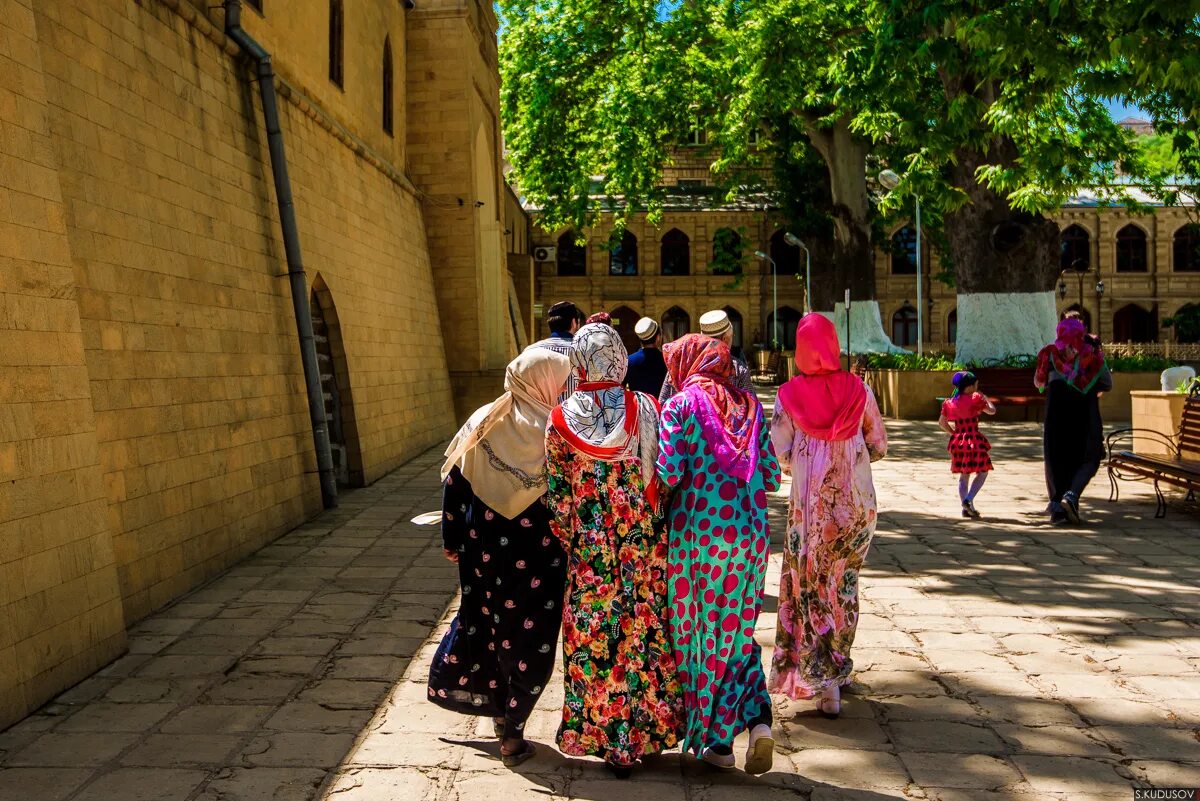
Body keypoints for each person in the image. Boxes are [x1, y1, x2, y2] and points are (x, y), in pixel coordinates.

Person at [545, 323, 682, 778]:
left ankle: (607, 737)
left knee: (596, 635)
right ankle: (647, 733)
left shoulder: (561, 418)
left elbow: (558, 497)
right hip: (641, 544)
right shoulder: (644, 407)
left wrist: (578, 543)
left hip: (591, 548)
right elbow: (661, 475)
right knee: (643, 632)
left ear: (580, 360)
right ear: (619, 358)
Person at [428, 348, 573, 768]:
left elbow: (454, 482)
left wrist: (451, 537)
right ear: (544, 382)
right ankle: (513, 729)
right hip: (539, 557)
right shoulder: (557, 430)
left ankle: (499, 715)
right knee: (533, 635)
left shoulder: (482, 419)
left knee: (487, 623)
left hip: (481, 549)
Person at [656, 333, 781, 774]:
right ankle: (756, 724)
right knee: (735, 634)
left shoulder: (680, 406)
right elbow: (771, 476)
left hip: (699, 537)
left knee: (698, 639)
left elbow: (669, 471)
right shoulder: (751, 406)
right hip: (750, 536)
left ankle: (718, 740)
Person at [768, 315, 887, 718]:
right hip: (855, 510)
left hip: (810, 515)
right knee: (844, 588)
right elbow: (879, 444)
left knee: (810, 591)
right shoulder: (860, 390)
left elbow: (778, 452)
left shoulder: (788, 396)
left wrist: (805, 459)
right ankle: (838, 667)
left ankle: (826, 684)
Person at [1035, 318, 1112, 524]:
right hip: (1084, 415)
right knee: (1088, 457)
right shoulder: (1092, 355)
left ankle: (1057, 507)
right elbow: (1107, 382)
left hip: (1056, 416)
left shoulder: (1049, 354)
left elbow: (1039, 382)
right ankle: (1071, 496)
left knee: (1055, 458)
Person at [658, 310, 752, 403]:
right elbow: (753, 409)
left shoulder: (679, 365)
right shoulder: (737, 369)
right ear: (725, 339)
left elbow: (663, 403)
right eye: (732, 336)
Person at [938, 371, 997, 518]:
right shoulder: (975, 398)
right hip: (974, 440)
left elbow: (941, 422)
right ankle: (968, 499)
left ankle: (965, 507)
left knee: (964, 475)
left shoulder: (950, 402)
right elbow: (992, 411)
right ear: (970, 386)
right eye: (976, 384)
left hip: (958, 441)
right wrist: (986, 399)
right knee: (983, 471)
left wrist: (953, 433)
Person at [531, 301, 586, 401]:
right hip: (577, 416)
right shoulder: (585, 352)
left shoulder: (530, 351)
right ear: (574, 323)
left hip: (541, 416)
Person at [625, 317, 668, 397]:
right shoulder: (666, 360)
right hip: (661, 408)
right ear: (658, 338)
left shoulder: (629, 361)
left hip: (638, 407)